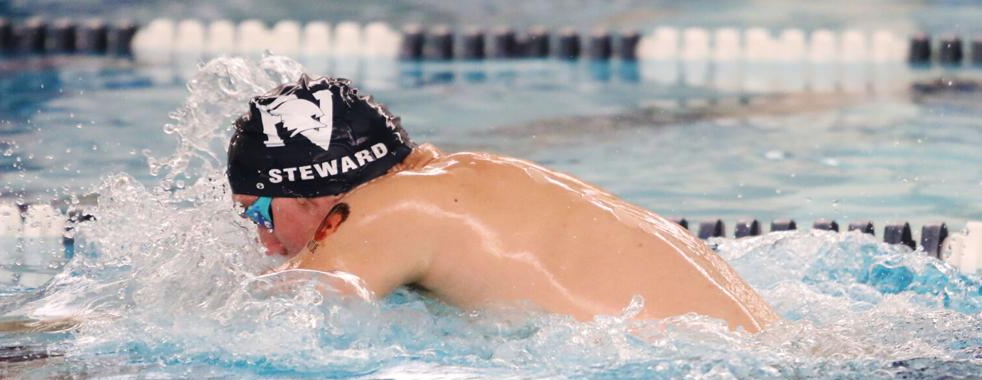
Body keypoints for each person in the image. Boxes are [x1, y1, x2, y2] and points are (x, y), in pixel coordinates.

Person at [229, 75, 778, 332]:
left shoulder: (388, 210)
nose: (267, 242)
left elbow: (284, 325)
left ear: (312, 189)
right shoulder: (472, 175)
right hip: (787, 359)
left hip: (723, 377)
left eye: (258, 213)